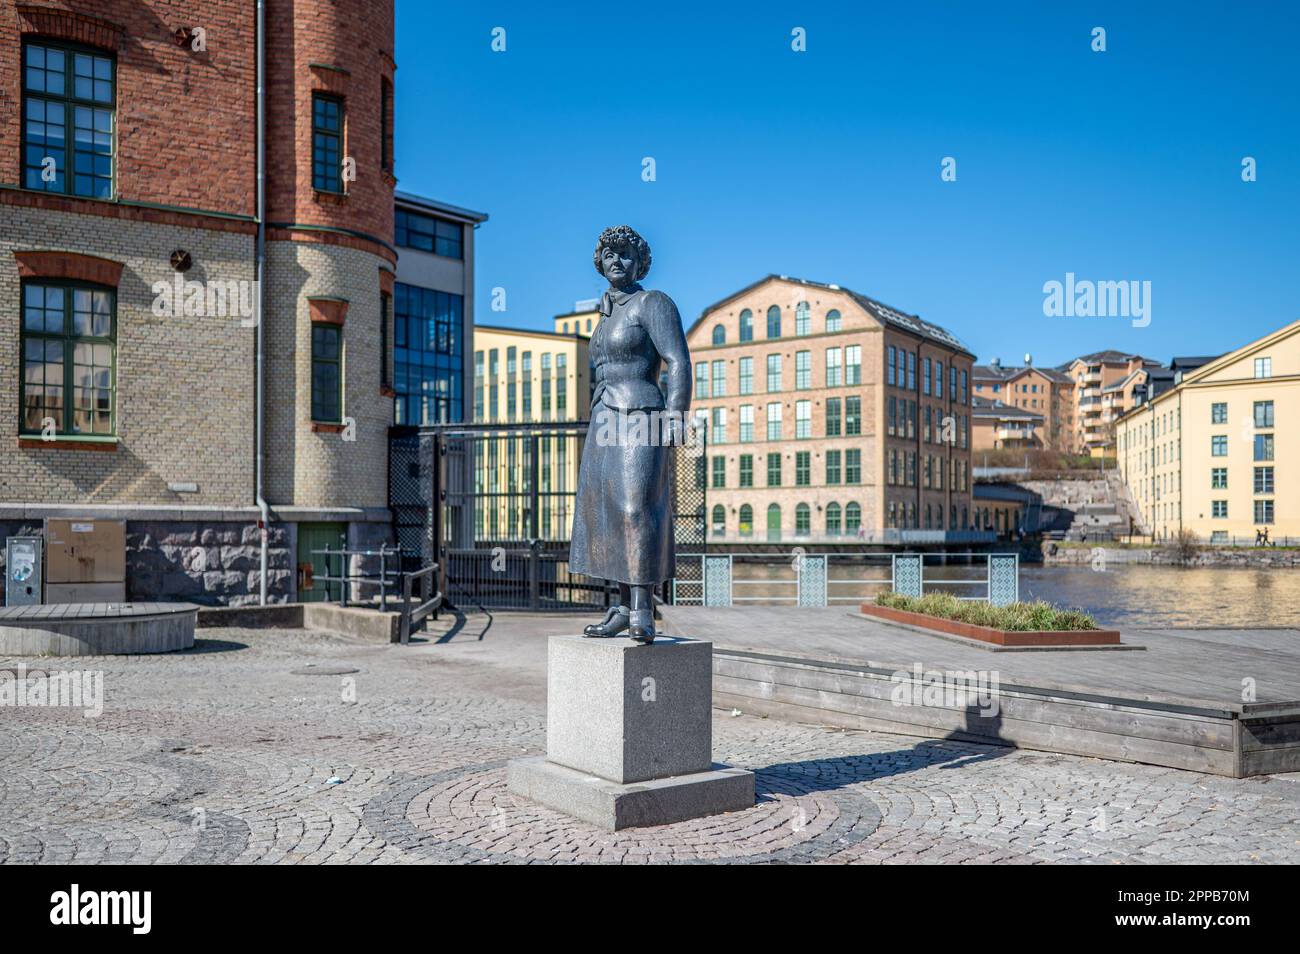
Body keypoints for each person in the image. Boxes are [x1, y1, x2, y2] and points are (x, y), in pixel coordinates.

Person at [569, 226, 691, 644]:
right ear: (599, 263)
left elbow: (678, 360)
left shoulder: (652, 303)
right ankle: (621, 607)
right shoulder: (604, 316)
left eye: (624, 254)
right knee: (606, 513)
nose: (616, 261)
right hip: (604, 418)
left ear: (640, 263)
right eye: (608, 254)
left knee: (637, 506)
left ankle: (643, 608)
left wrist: (676, 416)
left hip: (641, 415)